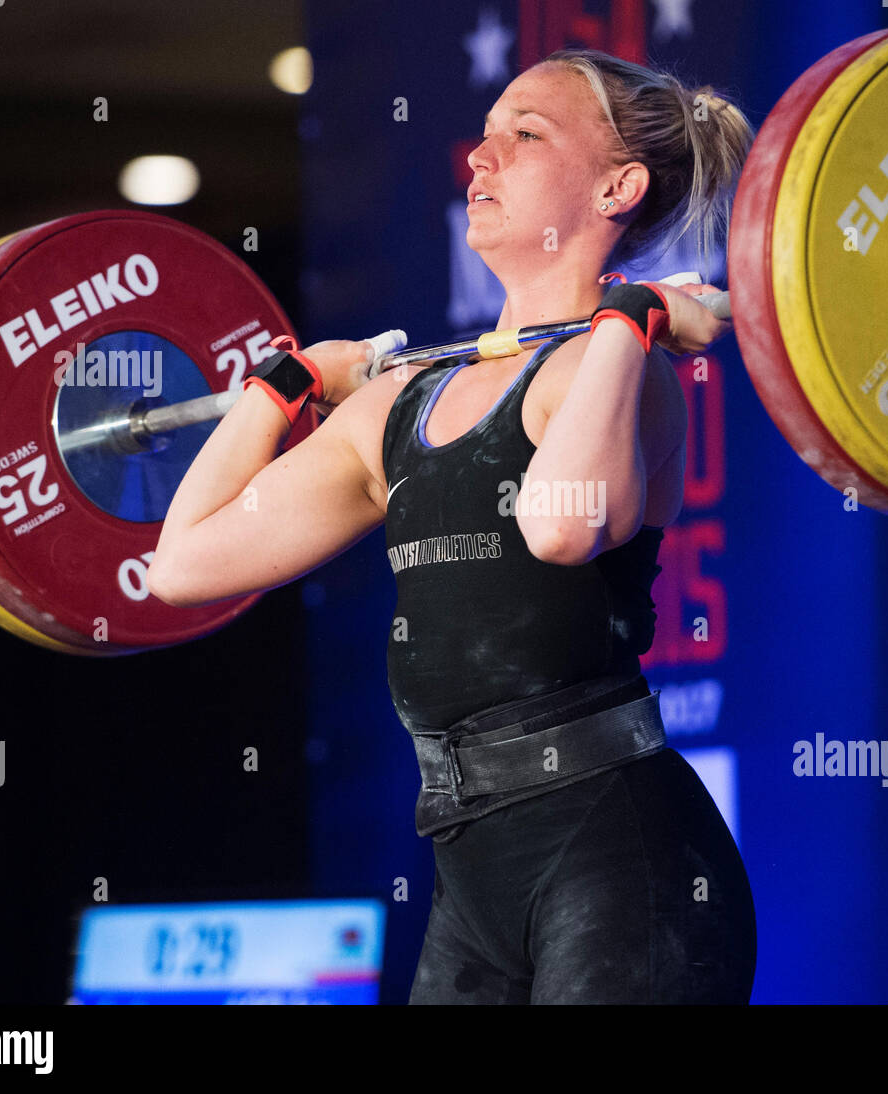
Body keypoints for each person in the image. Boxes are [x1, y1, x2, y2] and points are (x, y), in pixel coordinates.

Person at [148, 48, 756, 1004]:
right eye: (487, 132)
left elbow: (559, 528)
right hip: (472, 873)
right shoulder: (399, 404)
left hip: (624, 860)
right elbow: (182, 562)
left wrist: (625, 323)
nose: (481, 156)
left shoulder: (620, 376)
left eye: (526, 135)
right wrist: (284, 387)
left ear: (618, 187)